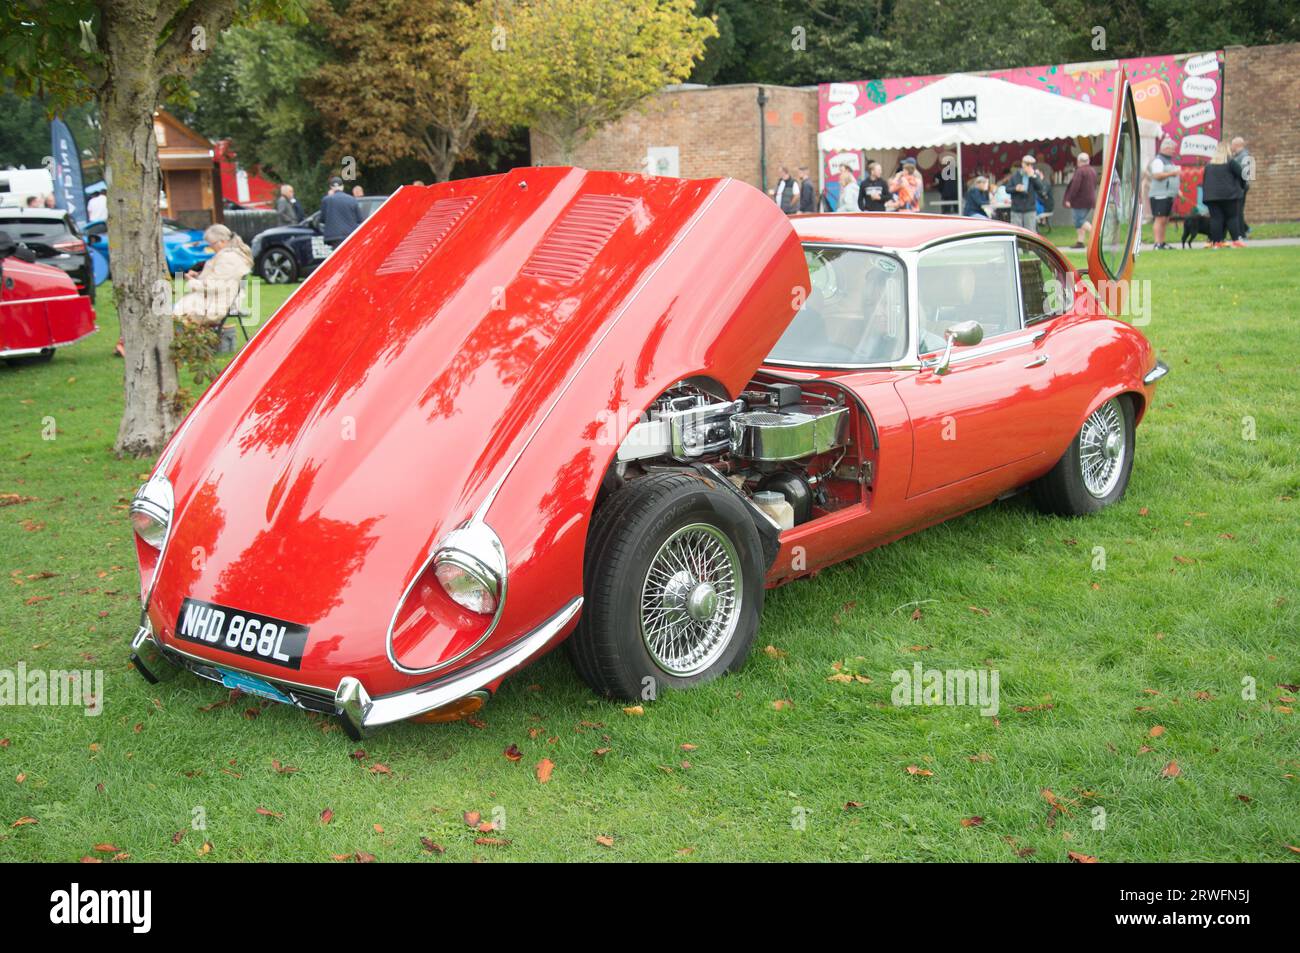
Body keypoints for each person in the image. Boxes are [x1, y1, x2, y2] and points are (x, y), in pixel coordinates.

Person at [173, 224, 254, 325]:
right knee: (171, 313)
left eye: (211, 244)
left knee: (171, 317)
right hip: (215, 301)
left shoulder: (228, 259)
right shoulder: (231, 256)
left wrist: (192, 282)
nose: (211, 248)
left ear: (223, 241)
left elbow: (213, 285)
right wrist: (198, 276)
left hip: (215, 305)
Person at [1201, 141, 1246, 248]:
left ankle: (1217, 242)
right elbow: (1243, 176)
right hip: (1229, 196)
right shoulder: (1231, 162)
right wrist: (1242, 187)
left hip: (1211, 197)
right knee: (1232, 217)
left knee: (1216, 219)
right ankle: (1236, 240)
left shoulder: (1209, 165)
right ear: (1228, 150)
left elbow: (1205, 180)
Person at [1147, 139, 1180, 249]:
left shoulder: (1169, 161)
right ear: (1165, 148)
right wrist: (1173, 173)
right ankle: (1157, 243)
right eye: (1172, 149)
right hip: (1159, 195)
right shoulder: (1158, 161)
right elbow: (1157, 175)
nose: (1173, 151)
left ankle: (1162, 242)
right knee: (1159, 219)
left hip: (1168, 194)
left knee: (1165, 219)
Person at [1061, 152, 1098, 248]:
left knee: (1079, 221)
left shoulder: (1080, 171)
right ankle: (1080, 242)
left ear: (1078, 161)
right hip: (1090, 200)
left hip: (1080, 201)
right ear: (1088, 161)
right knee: (1081, 220)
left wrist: (1069, 199)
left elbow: (1075, 187)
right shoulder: (1093, 171)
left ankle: (1097, 235)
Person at [1005, 155, 1048, 232]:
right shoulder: (1015, 175)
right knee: (1016, 232)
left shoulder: (1035, 175)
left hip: (1030, 209)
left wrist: (1032, 177)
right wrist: (1015, 188)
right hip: (1016, 209)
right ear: (1022, 164)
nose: (1029, 166)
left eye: (1031, 164)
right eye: (1027, 164)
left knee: (1030, 232)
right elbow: (1007, 189)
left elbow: (1040, 188)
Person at [319, 176, 363, 247]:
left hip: (334, 237)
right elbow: (359, 219)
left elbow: (322, 219)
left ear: (331, 187)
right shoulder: (352, 199)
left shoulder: (326, 200)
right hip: (350, 235)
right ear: (342, 186)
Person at [1230, 136, 1253, 238]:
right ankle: (1245, 230)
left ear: (1236, 145)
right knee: (1237, 210)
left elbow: (1245, 174)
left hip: (1241, 187)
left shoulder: (1244, 156)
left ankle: (1242, 233)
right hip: (1241, 186)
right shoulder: (1240, 156)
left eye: (1232, 144)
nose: (1231, 146)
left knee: (1238, 210)